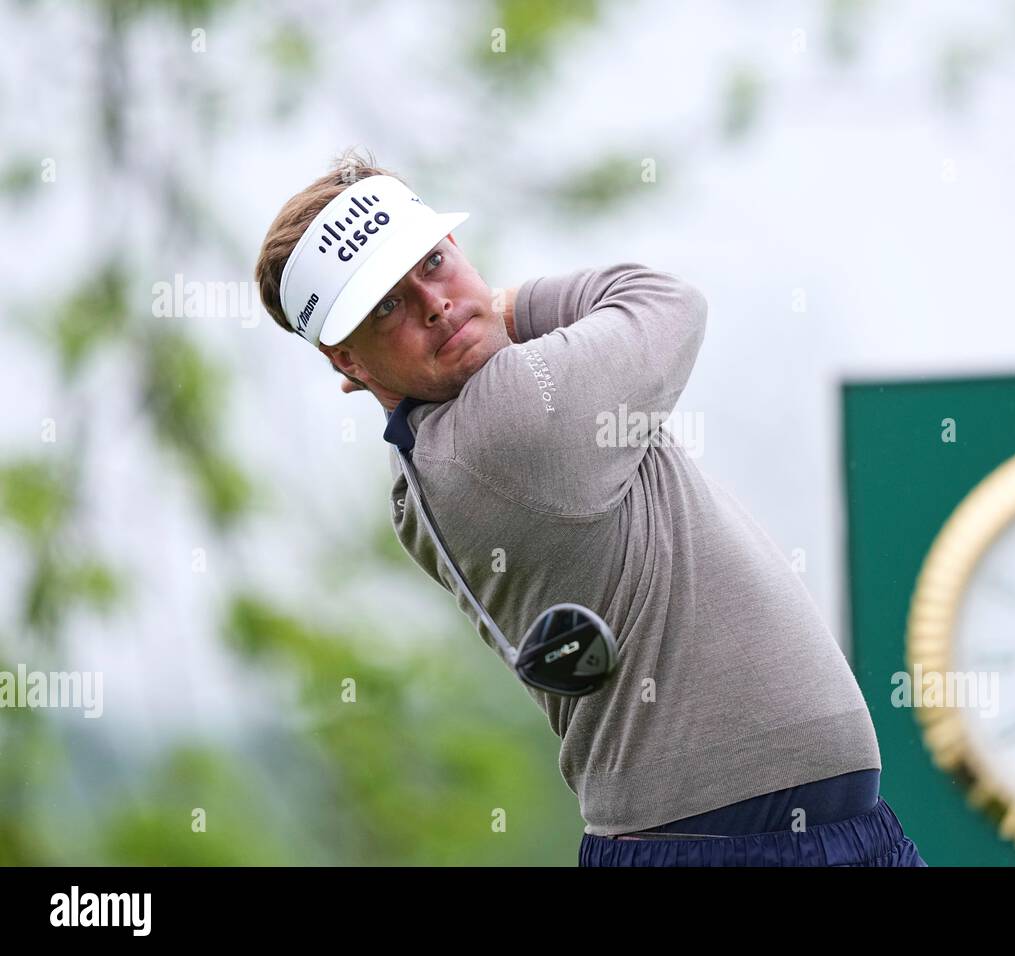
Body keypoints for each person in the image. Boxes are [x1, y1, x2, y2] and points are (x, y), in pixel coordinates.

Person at [254, 148, 926, 867]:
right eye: (386, 306)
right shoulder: (513, 419)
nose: (433, 304)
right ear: (347, 361)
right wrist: (506, 305)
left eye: (432, 264)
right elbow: (667, 302)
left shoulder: (438, 450)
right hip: (733, 845)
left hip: (783, 832)